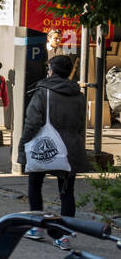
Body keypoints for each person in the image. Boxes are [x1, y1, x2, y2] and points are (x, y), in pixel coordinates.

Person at [19, 53, 91, 232]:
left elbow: (32, 122)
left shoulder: (43, 91)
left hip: (44, 146)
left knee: (35, 185)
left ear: (51, 71)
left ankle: (36, 227)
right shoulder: (78, 94)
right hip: (70, 148)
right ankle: (64, 234)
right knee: (67, 192)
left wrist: (23, 146)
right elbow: (81, 124)